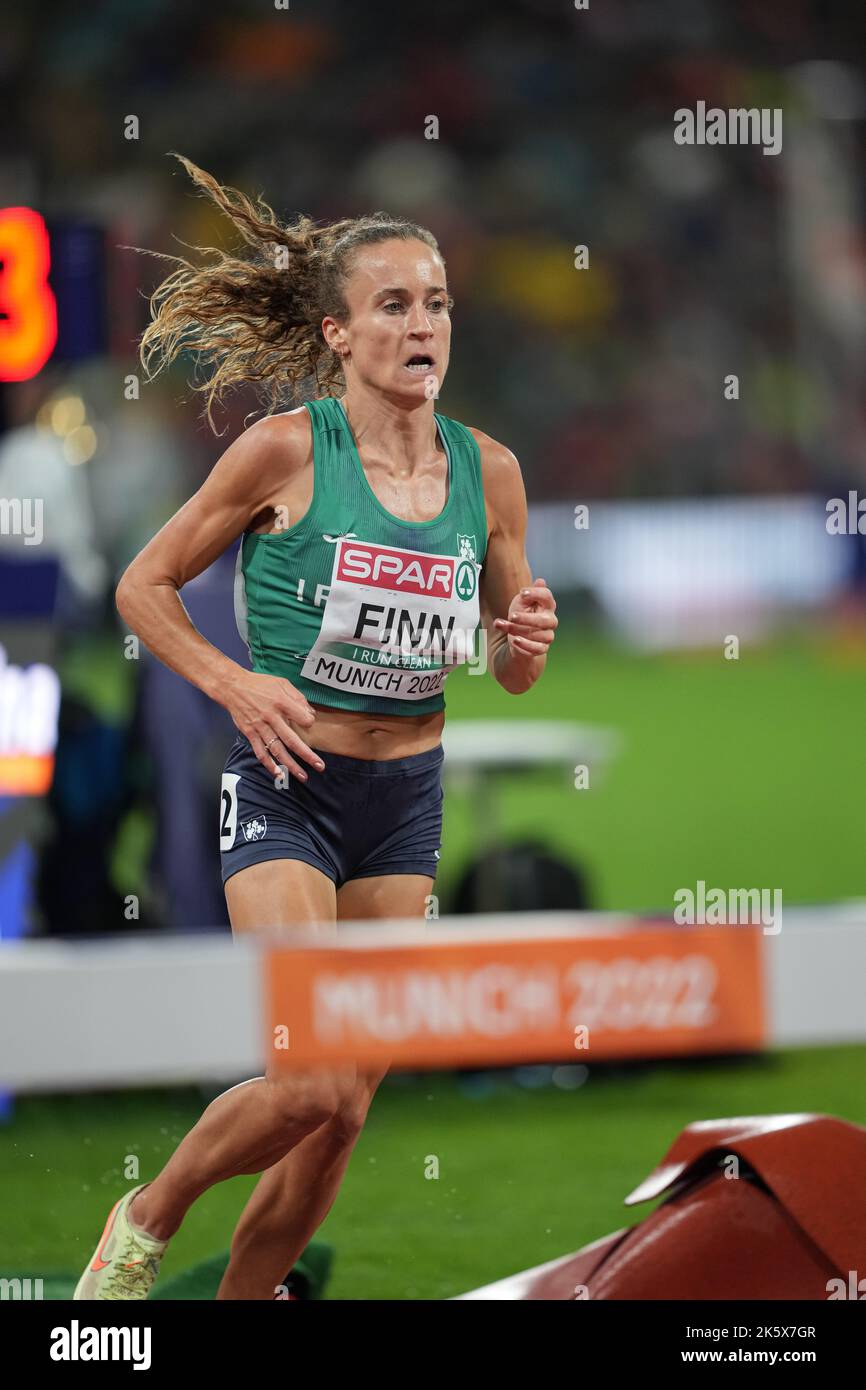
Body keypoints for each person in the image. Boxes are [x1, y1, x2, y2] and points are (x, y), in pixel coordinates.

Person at [74, 155, 558, 1300]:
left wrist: (523, 641)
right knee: (306, 1083)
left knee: (340, 1117)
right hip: (290, 786)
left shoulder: (488, 472)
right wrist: (235, 683)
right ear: (338, 334)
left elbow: (510, 657)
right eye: (392, 302)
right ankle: (144, 1219)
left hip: (405, 802)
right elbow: (141, 586)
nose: (423, 321)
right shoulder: (286, 450)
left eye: (435, 300)